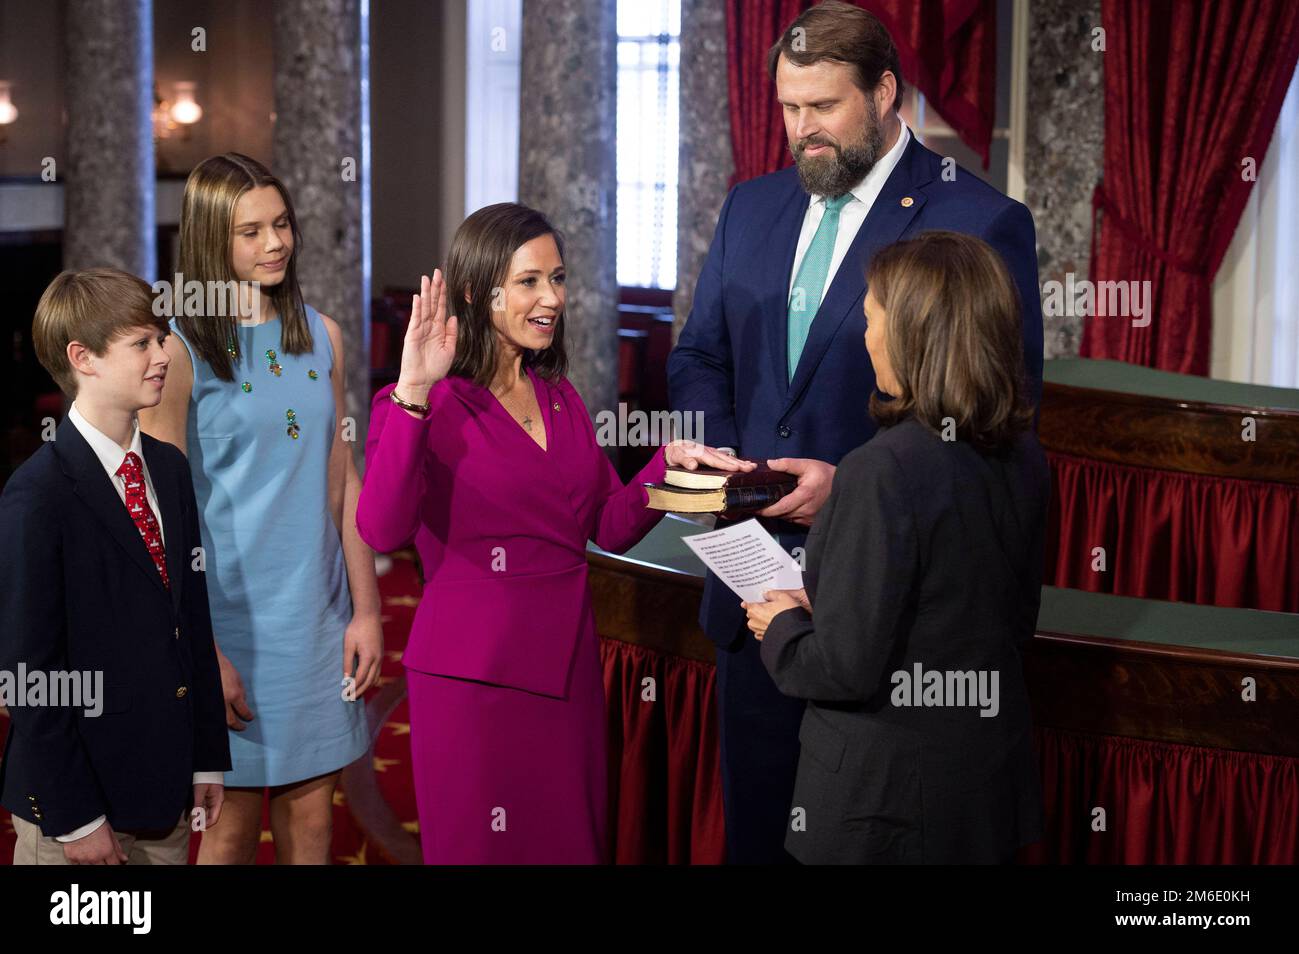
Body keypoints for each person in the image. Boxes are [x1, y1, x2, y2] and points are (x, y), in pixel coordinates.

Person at [668, 0, 1044, 863]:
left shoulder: (980, 222)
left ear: (883, 94)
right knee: (762, 844)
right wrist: (726, 459)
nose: (802, 129)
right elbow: (698, 357)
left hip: (891, 632)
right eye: (788, 107)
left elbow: (1004, 427)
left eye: (823, 106)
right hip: (754, 600)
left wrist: (851, 488)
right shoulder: (750, 207)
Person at [356, 202, 748, 863]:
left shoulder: (559, 398)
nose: (552, 298)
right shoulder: (427, 404)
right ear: (479, 293)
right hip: (475, 682)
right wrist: (413, 390)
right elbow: (381, 526)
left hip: (568, 672)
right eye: (530, 281)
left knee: (569, 844)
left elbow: (607, 525)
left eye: (558, 278)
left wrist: (668, 465)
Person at [743, 231, 1047, 863]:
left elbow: (840, 669)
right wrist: (834, 599)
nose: (865, 335)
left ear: (913, 332)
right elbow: (1004, 620)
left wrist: (781, 625)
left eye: (872, 315)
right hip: (983, 789)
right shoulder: (1024, 454)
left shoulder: (882, 469)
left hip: (883, 808)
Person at [139, 153, 379, 864]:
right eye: (251, 232)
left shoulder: (323, 335)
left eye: (281, 224)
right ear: (211, 240)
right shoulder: (177, 352)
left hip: (317, 619)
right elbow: (159, 515)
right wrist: (200, 649)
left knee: (313, 828)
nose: (275, 243)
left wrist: (366, 610)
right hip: (226, 626)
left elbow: (345, 481)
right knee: (229, 833)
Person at [0, 268, 230, 864]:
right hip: (74, 808)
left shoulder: (169, 469)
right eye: (142, 343)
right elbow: (29, 675)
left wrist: (206, 755)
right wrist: (77, 819)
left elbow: (191, 620)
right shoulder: (38, 494)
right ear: (83, 358)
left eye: (162, 338)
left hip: (165, 790)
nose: (164, 354)